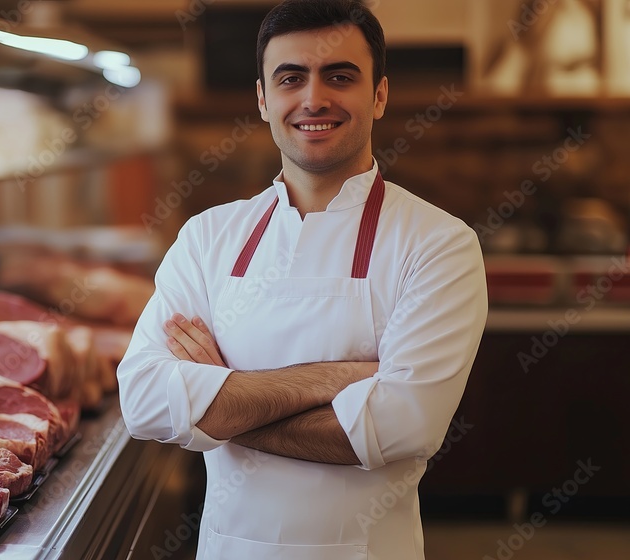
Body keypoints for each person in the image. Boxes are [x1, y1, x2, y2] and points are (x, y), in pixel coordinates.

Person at [116, 0, 488, 558]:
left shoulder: (438, 244)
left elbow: (400, 428)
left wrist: (217, 398)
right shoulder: (207, 237)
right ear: (264, 100)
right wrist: (333, 379)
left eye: (340, 76)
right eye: (291, 78)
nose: (314, 99)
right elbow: (143, 400)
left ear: (379, 95)